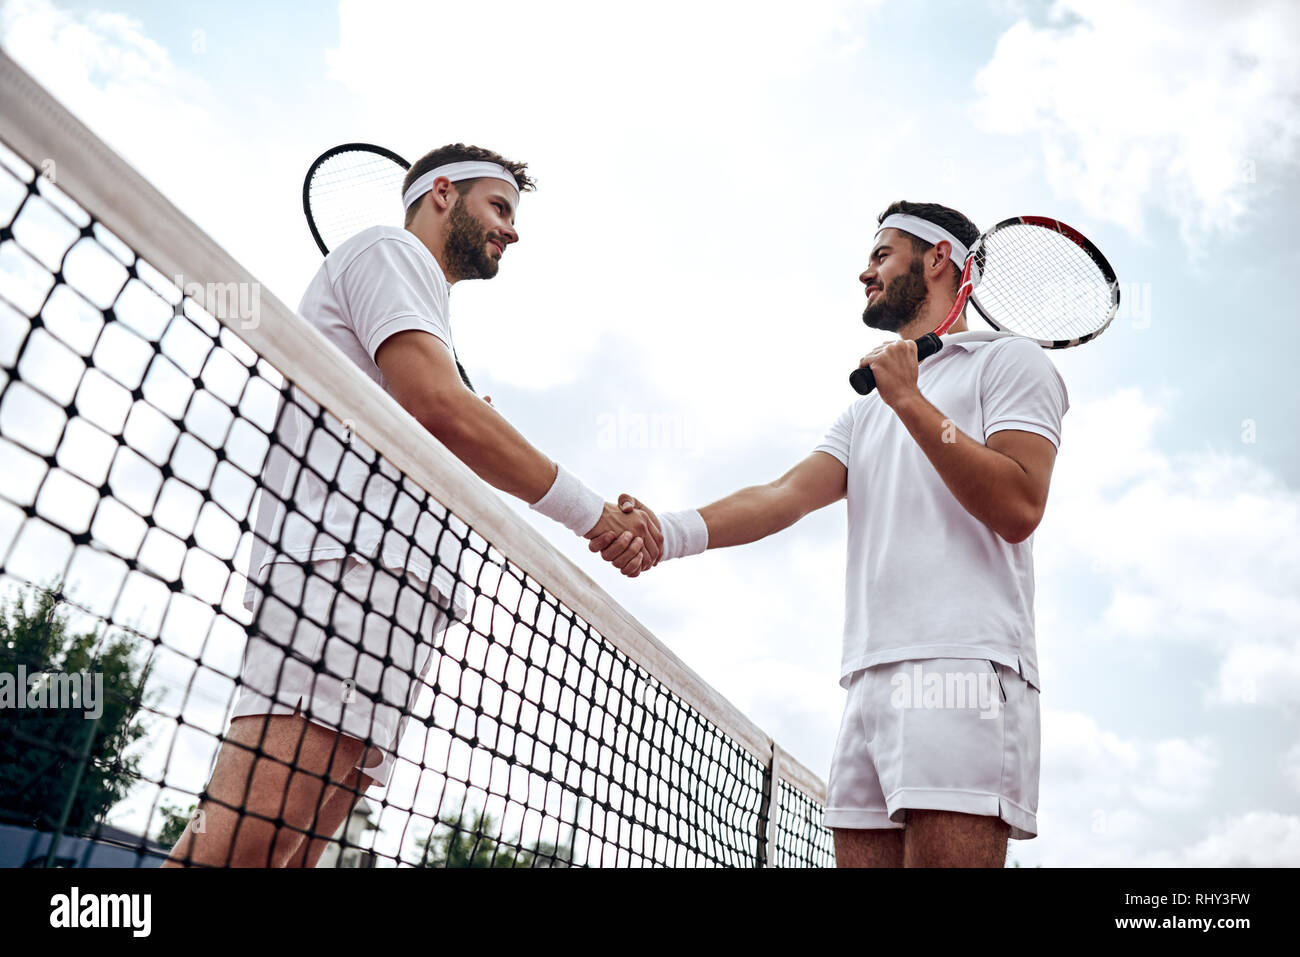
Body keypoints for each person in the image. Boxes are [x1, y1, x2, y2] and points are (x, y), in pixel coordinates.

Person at [165, 144, 662, 868]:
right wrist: (594, 514)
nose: (512, 230)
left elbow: (445, 418)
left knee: (290, 853)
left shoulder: (424, 311)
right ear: (439, 193)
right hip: (341, 571)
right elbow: (438, 406)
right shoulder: (388, 250)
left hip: (394, 594)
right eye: (500, 208)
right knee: (249, 835)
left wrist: (458, 428)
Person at [593, 201, 1068, 867]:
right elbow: (782, 494)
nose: (864, 272)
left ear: (939, 260)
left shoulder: (1010, 363)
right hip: (866, 681)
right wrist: (665, 532)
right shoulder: (865, 409)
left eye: (882, 254)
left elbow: (1019, 503)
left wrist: (910, 398)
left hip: (963, 669)